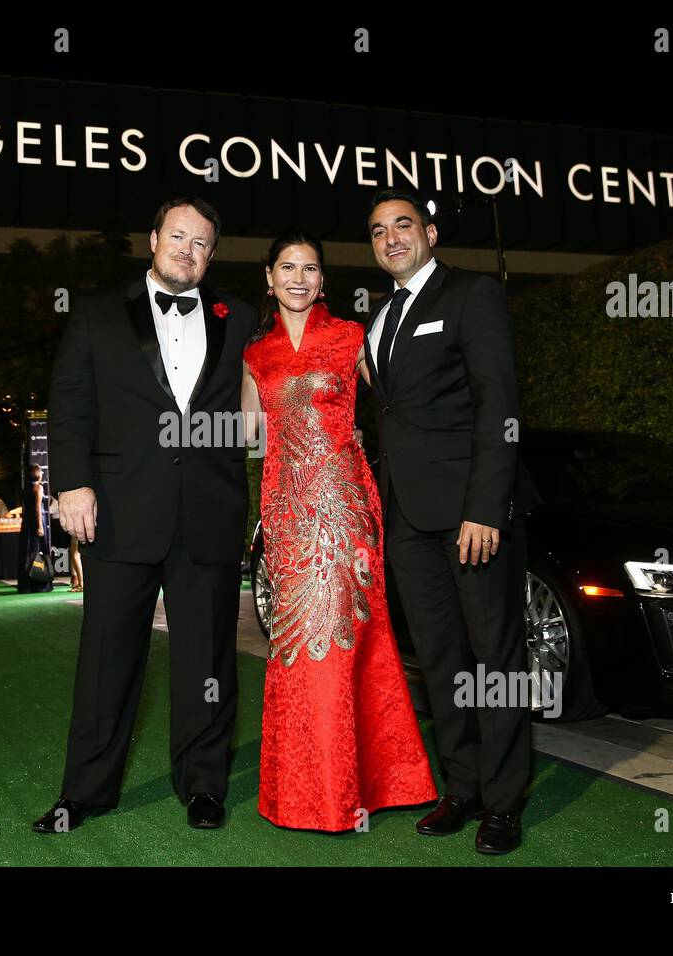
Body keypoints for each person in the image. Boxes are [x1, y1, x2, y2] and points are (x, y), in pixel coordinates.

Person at [33, 196, 255, 833]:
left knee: (207, 663)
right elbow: (70, 402)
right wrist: (71, 484)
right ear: (153, 238)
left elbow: (285, 374)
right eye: (179, 237)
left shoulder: (237, 316)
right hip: (121, 515)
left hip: (208, 515)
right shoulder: (98, 313)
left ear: (213, 254)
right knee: (108, 658)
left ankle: (203, 786)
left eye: (203, 243)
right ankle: (85, 793)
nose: (189, 251)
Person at [242, 232, 437, 832]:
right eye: (287, 267)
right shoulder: (255, 356)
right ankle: (304, 792)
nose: (299, 278)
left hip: (346, 512)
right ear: (269, 278)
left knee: (353, 643)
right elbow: (248, 438)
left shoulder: (352, 337)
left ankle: (367, 788)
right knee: (295, 647)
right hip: (286, 516)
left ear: (323, 281)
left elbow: (406, 404)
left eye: (310, 268)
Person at [364, 189, 537, 854]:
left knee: (496, 659)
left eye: (403, 225)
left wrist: (485, 508)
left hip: (472, 516)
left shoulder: (471, 295)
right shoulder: (382, 320)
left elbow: (500, 402)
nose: (392, 238)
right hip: (408, 520)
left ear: (430, 232)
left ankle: (503, 801)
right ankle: (460, 789)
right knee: (439, 661)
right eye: (379, 231)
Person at [15, 464, 53, 593]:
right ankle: (39, 584)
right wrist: (40, 526)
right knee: (38, 551)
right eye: (41, 472)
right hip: (37, 521)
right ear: (37, 473)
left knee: (28, 552)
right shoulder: (38, 487)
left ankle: (26, 584)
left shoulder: (26, 488)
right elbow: (37, 507)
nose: (42, 474)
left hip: (27, 523)